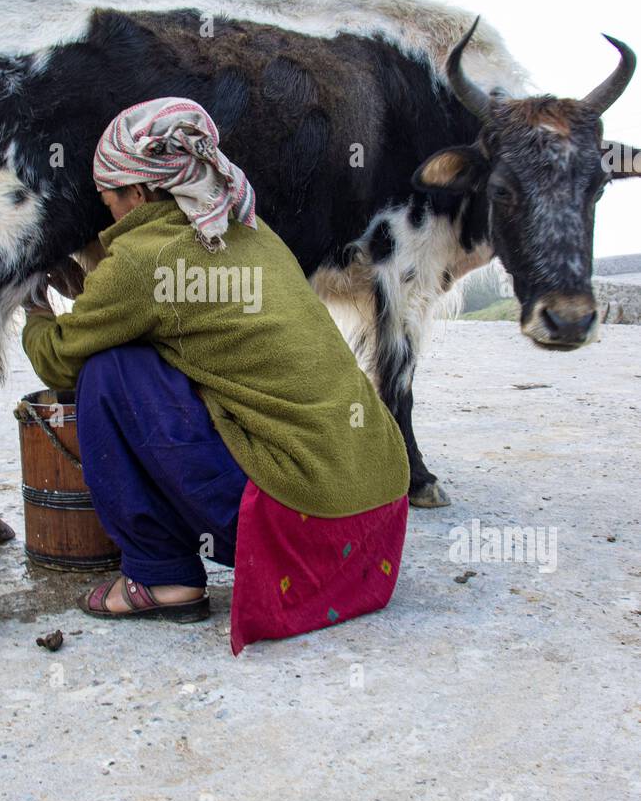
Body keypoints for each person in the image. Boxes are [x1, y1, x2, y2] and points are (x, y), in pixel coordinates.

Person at [21, 97, 409, 654]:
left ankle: (160, 577)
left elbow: (59, 355)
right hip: (377, 515)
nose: (104, 207)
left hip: (303, 523)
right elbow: (181, 316)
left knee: (107, 371)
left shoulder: (142, 261)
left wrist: (36, 312)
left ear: (139, 192)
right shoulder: (252, 230)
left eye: (108, 195)